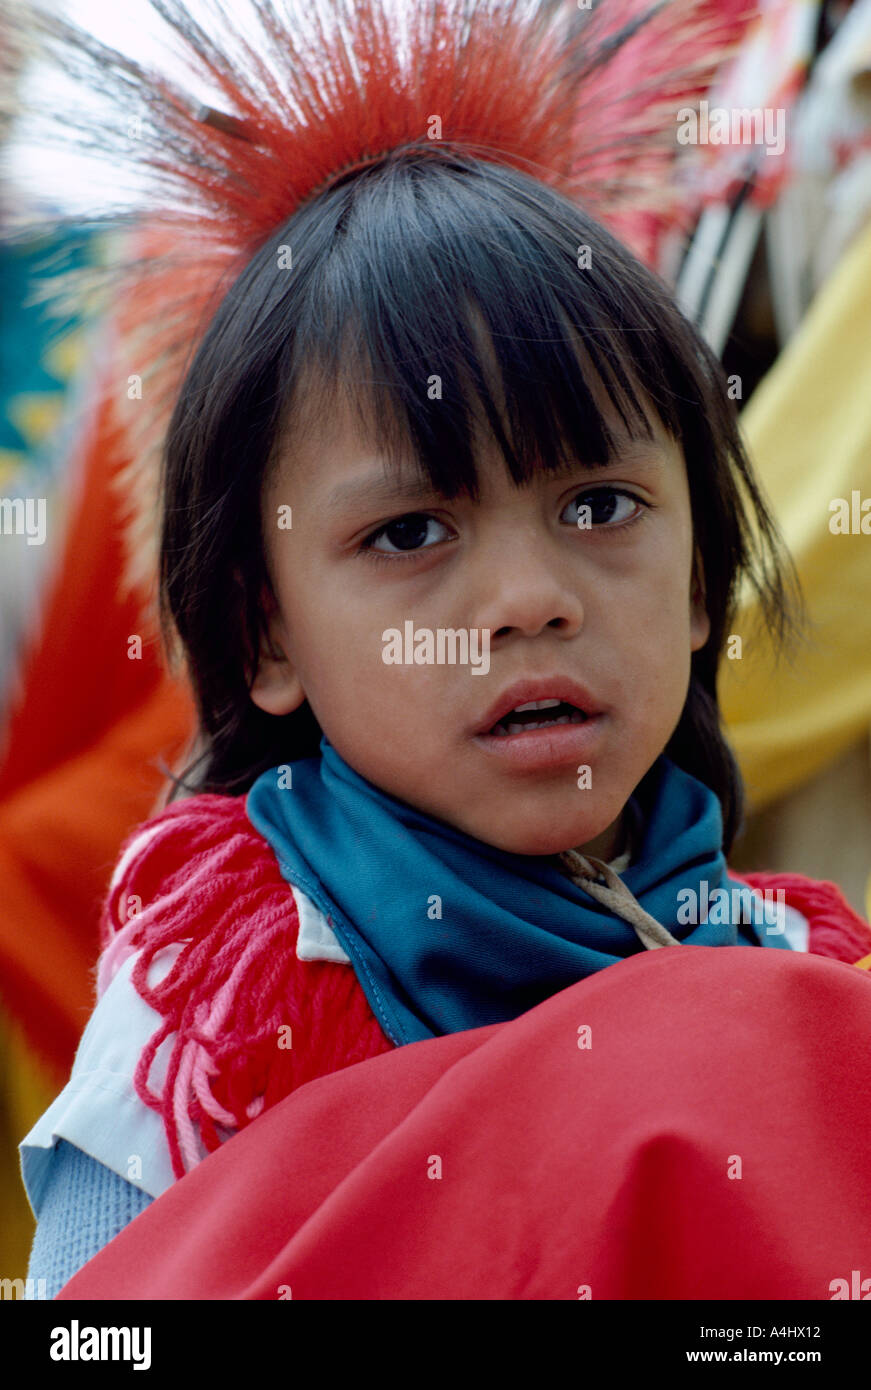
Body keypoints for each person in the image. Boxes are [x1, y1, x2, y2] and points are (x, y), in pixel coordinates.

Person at [16, 0, 871, 1299]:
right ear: (263, 633)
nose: (529, 600)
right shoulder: (210, 1026)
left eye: (597, 506)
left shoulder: (808, 983)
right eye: (412, 530)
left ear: (703, 581)